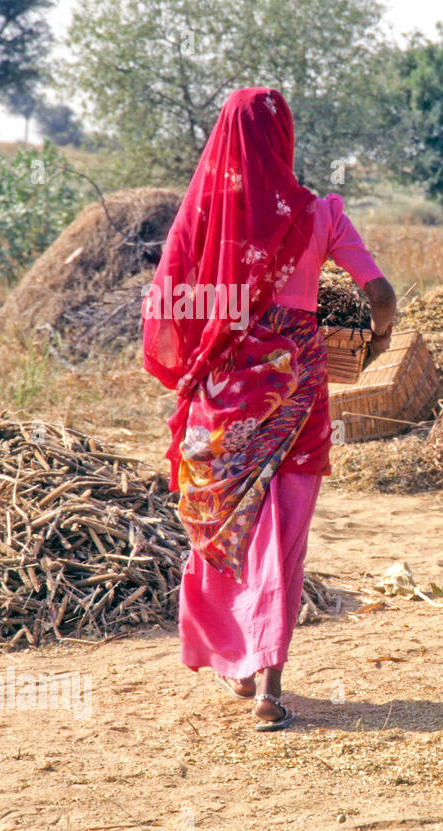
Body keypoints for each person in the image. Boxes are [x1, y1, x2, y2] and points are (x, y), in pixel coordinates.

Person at [142, 88, 395, 730]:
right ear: (283, 139)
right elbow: (381, 293)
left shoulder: (205, 216)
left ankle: (238, 659)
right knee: (283, 531)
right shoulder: (321, 212)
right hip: (301, 389)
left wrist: (213, 341)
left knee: (220, 522)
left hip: (221, 399)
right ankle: (269, 688)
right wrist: (381, 336)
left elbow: (167, 305)